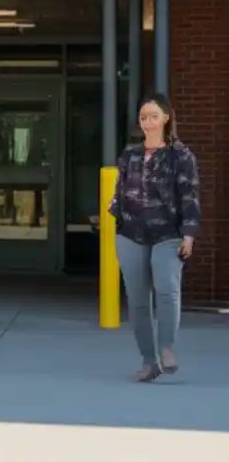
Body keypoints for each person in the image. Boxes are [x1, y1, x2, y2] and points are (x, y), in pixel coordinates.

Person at [109, 92, 200, 382]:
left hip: (168, 234)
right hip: (130, 234)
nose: (147, 122)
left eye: (153, 116)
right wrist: (114, 216)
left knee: (167, 290)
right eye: (143, 117)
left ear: (166, 118)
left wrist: (189, 234)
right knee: (137, 301)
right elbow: (120, 192)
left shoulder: (181, 156)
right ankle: (149, 362)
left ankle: (167, 349)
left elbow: (189, 196)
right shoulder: (130, 154)